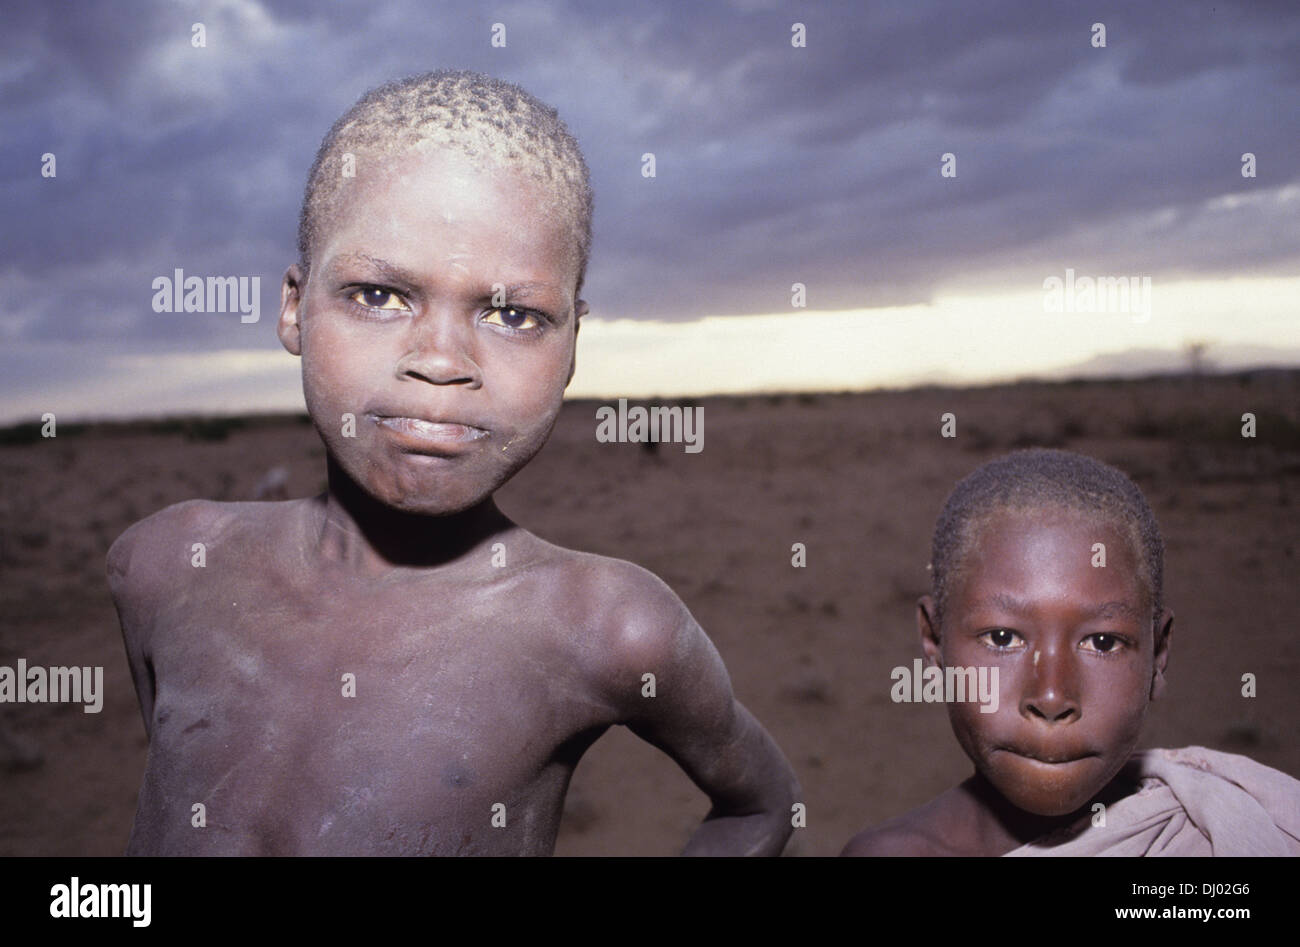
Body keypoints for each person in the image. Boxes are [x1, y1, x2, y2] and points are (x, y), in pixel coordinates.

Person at [109, 70, 798, 856]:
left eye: (513, 314)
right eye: (378, 295)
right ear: (295, 308)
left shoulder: (608, 628)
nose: (441, 361)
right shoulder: (164, 567)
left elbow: (758, 807)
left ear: (573, 340)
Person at [842, 448, 1300, 856]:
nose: (1052, 697)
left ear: (1158, 655)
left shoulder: (1231, 827)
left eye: (1102, 643)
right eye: (1003, 638)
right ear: (934, 642)